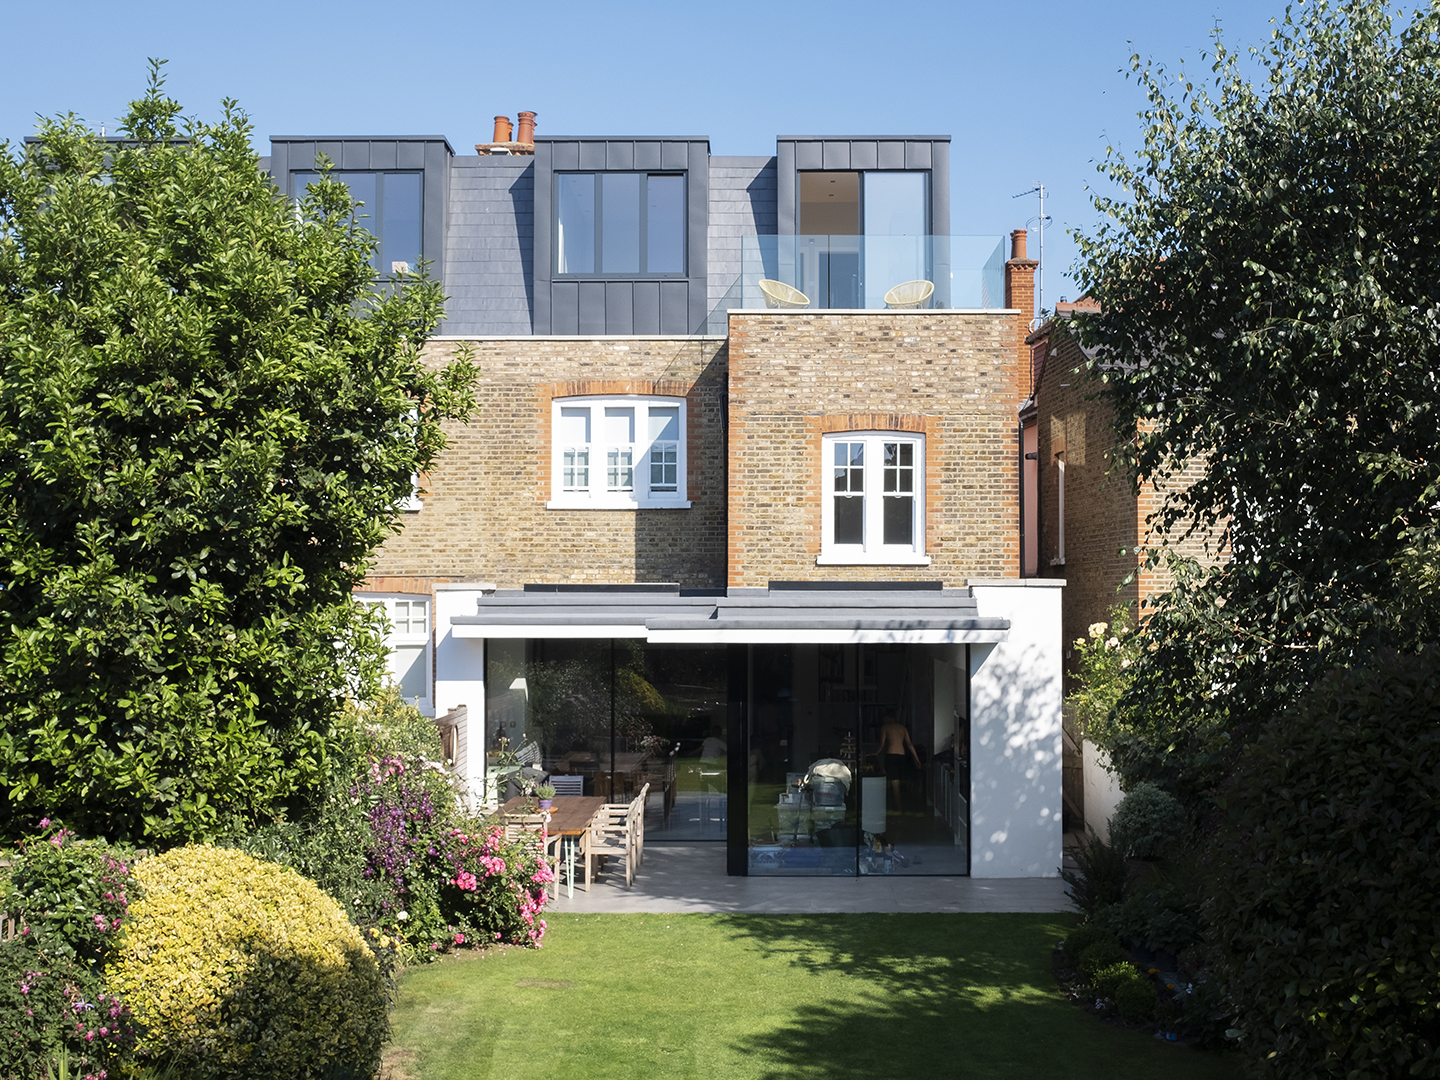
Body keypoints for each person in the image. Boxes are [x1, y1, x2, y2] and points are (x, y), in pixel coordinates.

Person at [876, 714, 921, 814]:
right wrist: (916, 758)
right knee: (900, 782)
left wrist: (875, 753)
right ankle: (901, 805)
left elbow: (882, 744)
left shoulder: (885, 727)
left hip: (891, 755)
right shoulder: (902, 728)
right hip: (902, 756)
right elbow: (909, 744)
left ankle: (899, 807)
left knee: (894, 782)